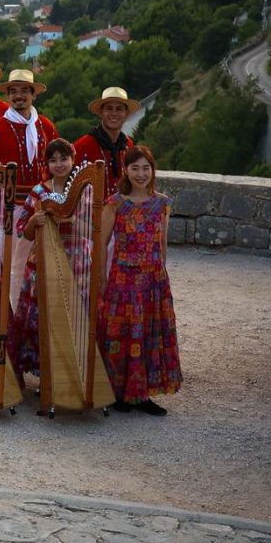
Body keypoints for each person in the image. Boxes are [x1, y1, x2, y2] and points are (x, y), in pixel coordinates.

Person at [98, 145, 181, 415]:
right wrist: (101, 279)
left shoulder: (163, 204)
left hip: (153, 281)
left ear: (153, 170)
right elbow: (100, 244)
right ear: (126, 170)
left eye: (146, 168)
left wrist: (161, 276)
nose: (141, 173)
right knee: (119, 335)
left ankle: (142, 394)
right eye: (135, 168)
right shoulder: (115, 204)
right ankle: (119, 393)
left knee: (148, 335)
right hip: (122, 280)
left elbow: (163, 243)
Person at [0, 69, 59, 305]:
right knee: (14, 267)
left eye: (24, 91)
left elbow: (59, 164)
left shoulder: (46, 127)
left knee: (43, 266)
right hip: (10, 210)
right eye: (13, 92)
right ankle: (12, 320)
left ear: (34, 95)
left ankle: (37, 319)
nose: (19, 96)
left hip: (44, 209)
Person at [8, 138, 80, 380]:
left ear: (73, 160)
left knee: (74, 315)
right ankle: (45, 373)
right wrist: (32, 222)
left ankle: (71, 371)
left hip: (76, 260)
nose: (59, 164)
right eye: (53, 160)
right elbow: (22, 231)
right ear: (47, 164)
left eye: (64, 158)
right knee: (40, 318)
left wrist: (72, 222)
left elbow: (93, 225)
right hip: (42, 261)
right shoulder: (39, 192)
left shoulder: (84, 188)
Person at [74, 87, 140, 199]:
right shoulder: (82, 146)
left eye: (119, 109)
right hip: (91, 215)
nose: (114, 113)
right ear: (101, 112)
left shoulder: (128, 145)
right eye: (109, 108)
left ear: (126, 113)